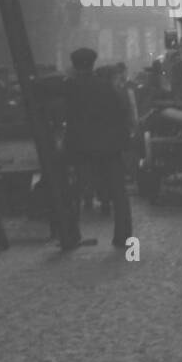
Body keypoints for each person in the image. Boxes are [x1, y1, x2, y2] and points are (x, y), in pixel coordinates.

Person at [62, 48, 132, 248]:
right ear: (92, 64)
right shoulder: (106, 87)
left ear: (75, 66)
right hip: (108, 147)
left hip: (79, 147)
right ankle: (123, 236)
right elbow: (120, 112)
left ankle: (70, 235)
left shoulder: (69, 88)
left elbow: (61, 114)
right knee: (119, 193)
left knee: (73, 192)